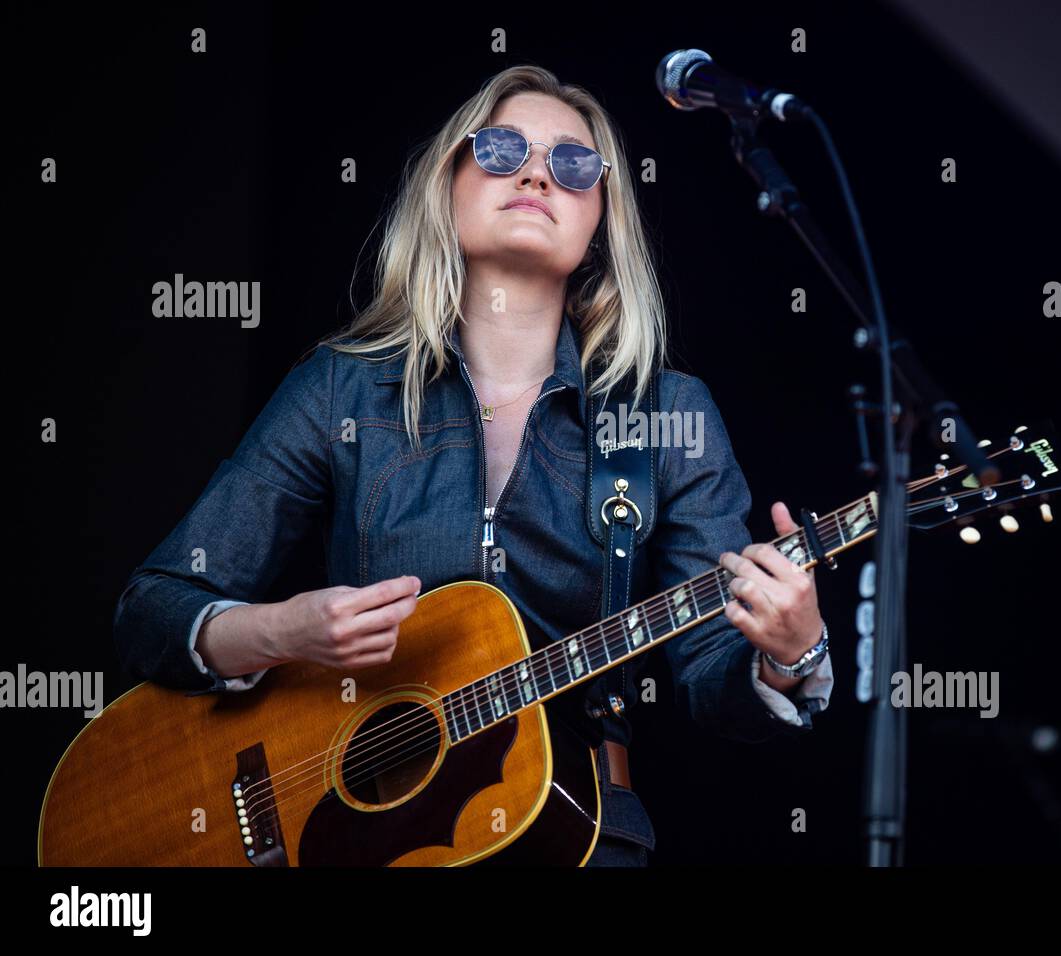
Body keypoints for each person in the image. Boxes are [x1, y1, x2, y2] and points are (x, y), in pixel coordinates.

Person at [113, 64, 834, 867]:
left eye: (572, 164)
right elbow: (153, 608)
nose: (535, 172)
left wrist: (789, 653)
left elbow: (711, 675)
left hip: (574, 834)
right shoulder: (341, 386)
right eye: (500, 149)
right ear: (447, 186)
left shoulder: (666, 412)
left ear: (600, 221)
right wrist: (282, 630)